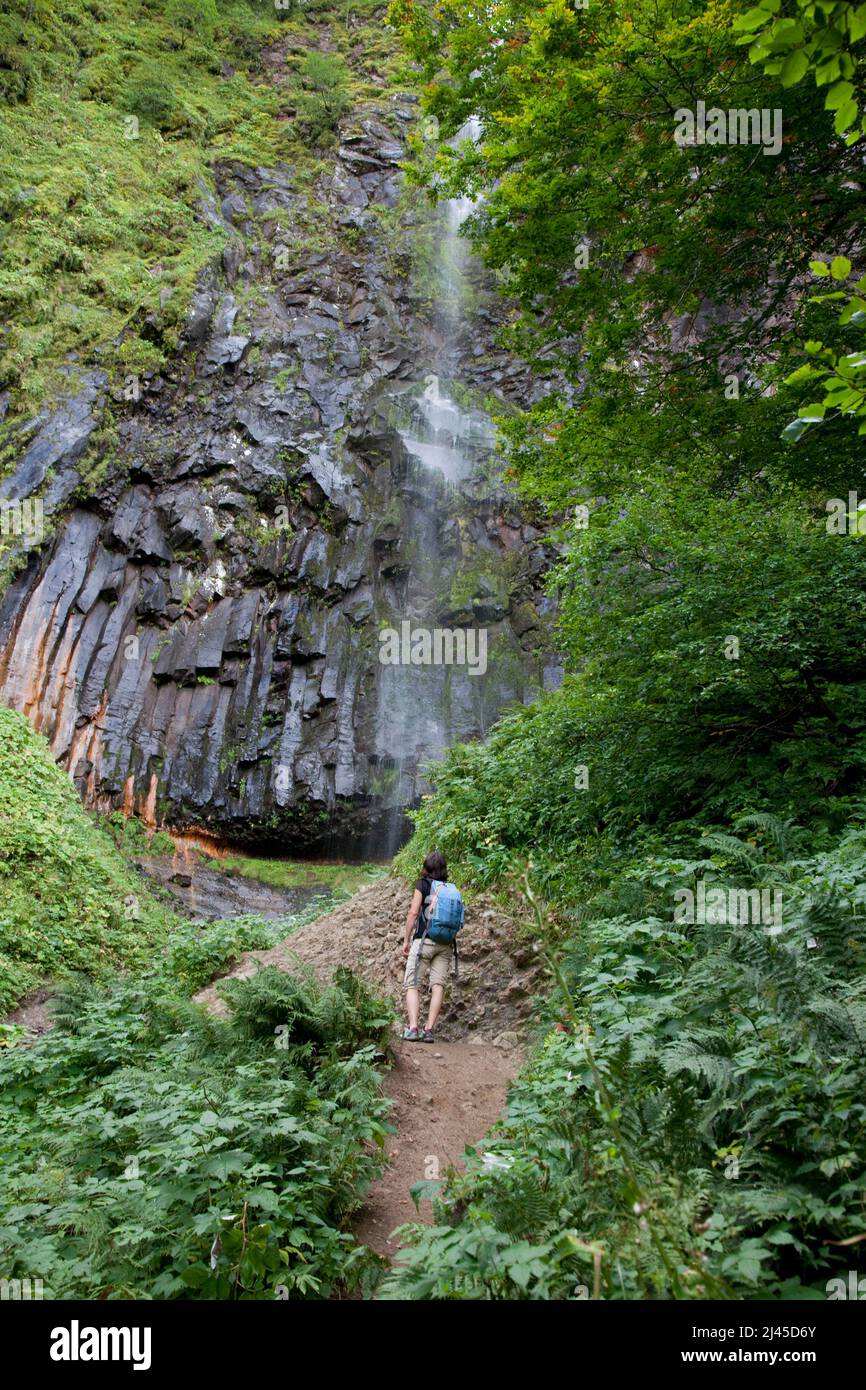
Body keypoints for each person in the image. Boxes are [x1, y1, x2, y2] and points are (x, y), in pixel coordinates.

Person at [402, 849, 455, 1043]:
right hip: (445, 944)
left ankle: (414, 1028)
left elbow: (413, 913)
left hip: (423, 941)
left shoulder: (422, 885)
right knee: (438, 985)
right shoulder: (450, 888)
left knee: (412, 983)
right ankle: (429, 1030)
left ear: (425, 867)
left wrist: (407, 940)